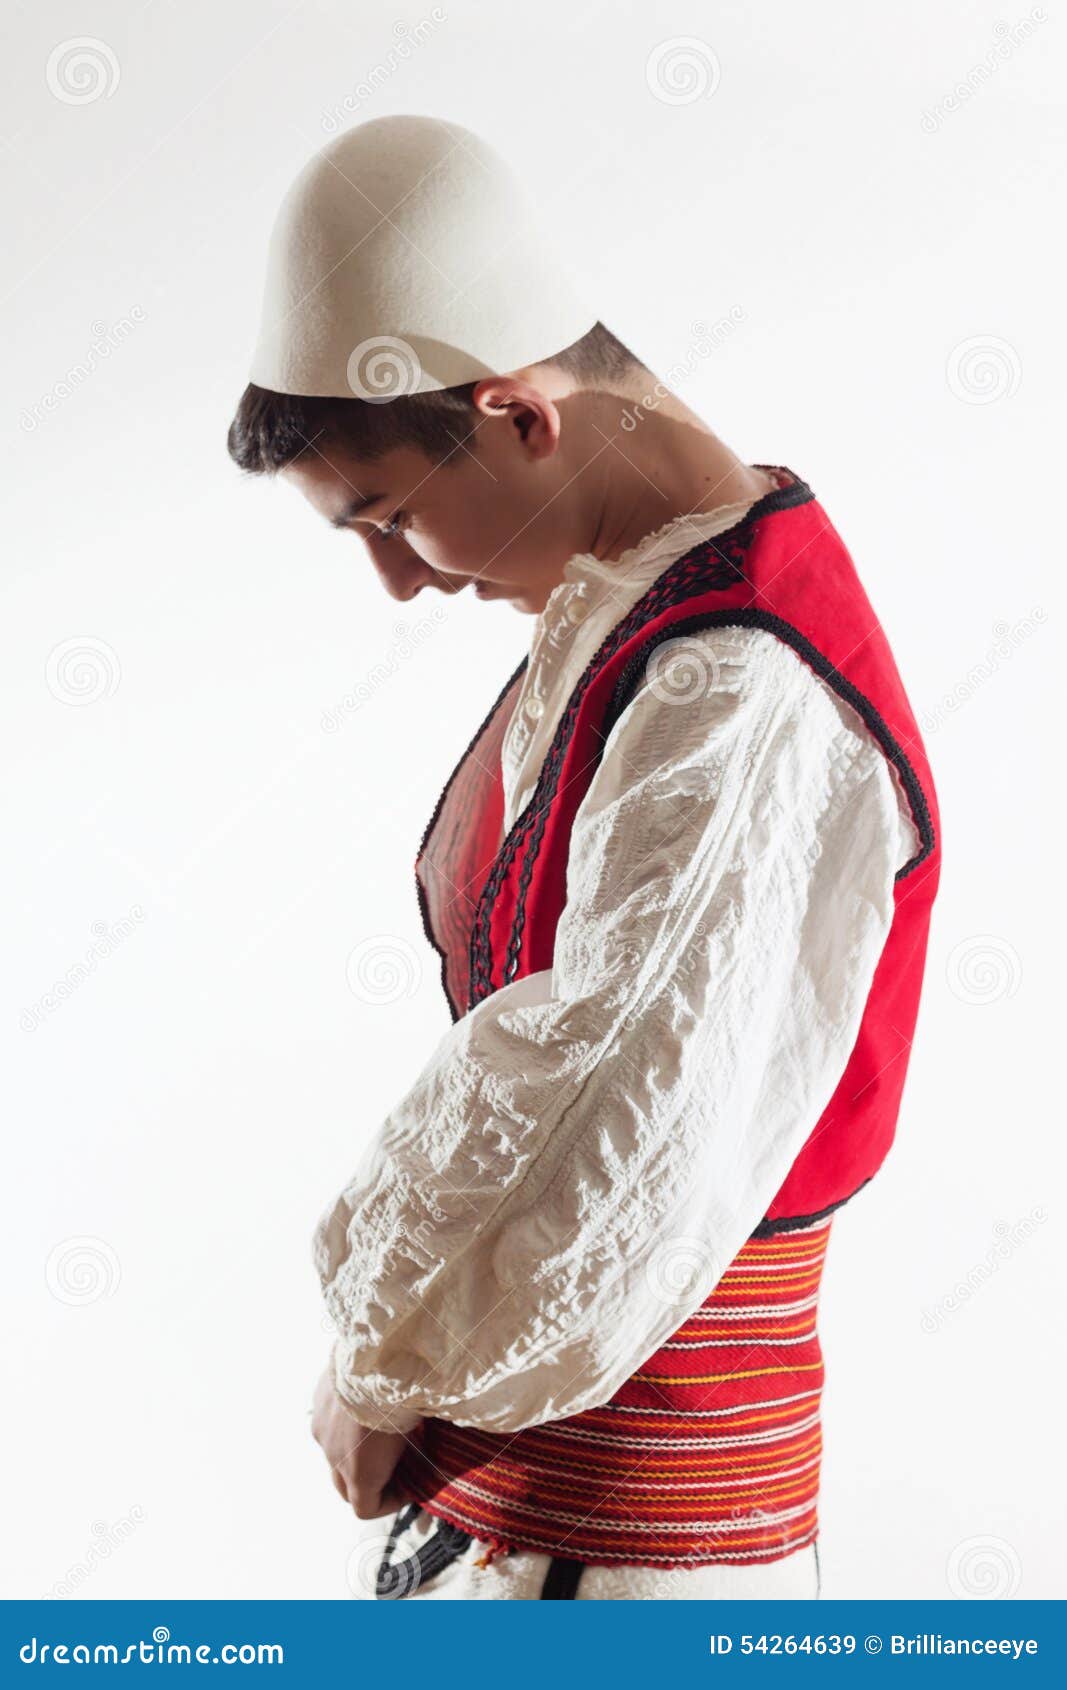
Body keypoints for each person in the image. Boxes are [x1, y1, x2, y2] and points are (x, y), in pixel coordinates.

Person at [227, 115, 941, 1601]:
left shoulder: (744, 677)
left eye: (397, 516)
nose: (401, 583)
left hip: (628, 1563)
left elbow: (616, 1095)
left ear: (521, 414)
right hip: (528, 1539)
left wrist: (382, 1362)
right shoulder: (639, 607)